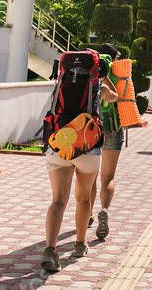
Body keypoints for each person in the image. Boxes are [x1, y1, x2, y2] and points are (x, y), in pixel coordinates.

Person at [42, 51, 117, 273]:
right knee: (84, 198)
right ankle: (80, 243)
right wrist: (103, 81)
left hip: (60, 142)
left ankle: (50, 249)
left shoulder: (61, 83)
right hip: (88, 144)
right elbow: (114, 96)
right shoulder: (98, 87)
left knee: (58, 200)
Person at [92, 44, 126, 242]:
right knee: (108, 177)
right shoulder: (121, 75)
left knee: (90, 176)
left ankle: (86, 214)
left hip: (93, 127)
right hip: (113, 127)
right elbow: (126, 100)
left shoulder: (93, 71)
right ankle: (104, 210)